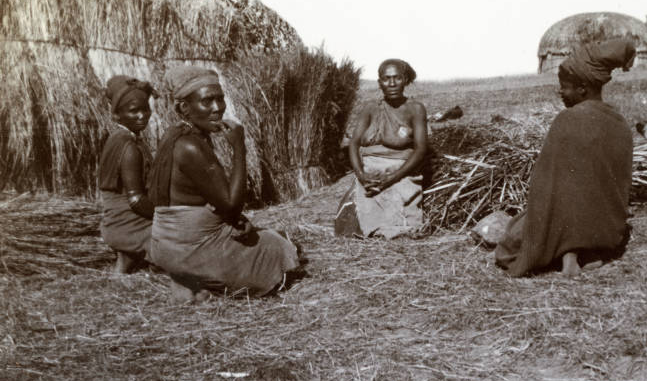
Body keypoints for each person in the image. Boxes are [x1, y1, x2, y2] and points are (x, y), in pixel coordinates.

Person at [148, 66, 300, 301]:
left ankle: (191, 280)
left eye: (220, 99)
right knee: (277, 245)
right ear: (184, 108)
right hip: (187, 249)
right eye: (207, 101)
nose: (218, 107)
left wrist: (237, 220)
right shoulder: (190, 146)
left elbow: (210, 197)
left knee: (260, 235)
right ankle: (201, 281)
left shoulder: (175, 135)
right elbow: (231, 204)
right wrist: (239, 147)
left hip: (166, 246)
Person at [495, 39, 636, 278]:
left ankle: (567, 254)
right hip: (606, 230)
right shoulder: (618, 122)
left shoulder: (567, 120)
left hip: (565, 225)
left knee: (510, 243)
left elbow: (546, 187)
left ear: (582, 88)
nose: (561, 92)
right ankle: (589, 251)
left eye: (565, 86)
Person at [335, 58, 428, 238]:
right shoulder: (370, 109)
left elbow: (421, 149)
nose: (392, 83)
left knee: (400, 213)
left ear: (405, 80)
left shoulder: (415, 109)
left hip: (402, 171)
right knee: (361, 212)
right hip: (370, 172)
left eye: (397, 78)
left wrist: (391, 178)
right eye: (386, 79)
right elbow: (353, 144)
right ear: (379, 83)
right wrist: (361, 175)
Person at [98, 75, 158, 274]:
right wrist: (166, 217)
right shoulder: (129, 146)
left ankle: (126, 261)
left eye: (146, 109)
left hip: (115, 225)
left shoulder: (118, 139)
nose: (142, 115)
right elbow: (136, 201)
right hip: (129, 226)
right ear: (116, 115)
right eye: (134, 111)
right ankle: (132, 250)